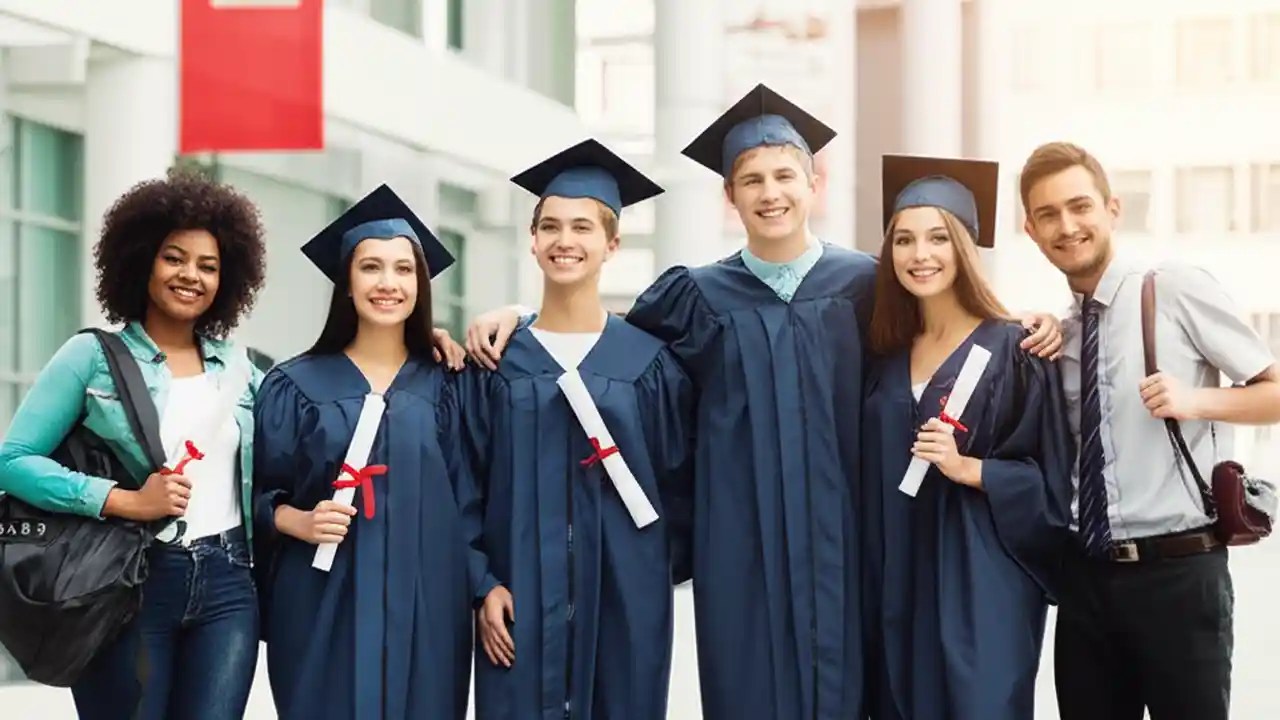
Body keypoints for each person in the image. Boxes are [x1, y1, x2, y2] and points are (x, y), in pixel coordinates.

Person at [464, 86, 1063, 720]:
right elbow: (604, 346)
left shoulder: (866, 284)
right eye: (750, 179)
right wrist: (520, 317)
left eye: (784, 175)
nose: (769, 192)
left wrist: (1026, 318)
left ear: (814, 182)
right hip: (740, 551)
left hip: (849, 547)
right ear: (730, 195)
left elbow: (946, 321)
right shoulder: (694, 296)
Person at [1019, 141, 1280, 720]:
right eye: (1048, 215)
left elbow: (1275, 391)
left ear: (1112, 208)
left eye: (1079, 206)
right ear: (1031, 230)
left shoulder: (1174, 289)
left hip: (1179, 576)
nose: (1067, 226)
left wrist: (1195, 399)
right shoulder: (1060, 333)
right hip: (1086, 583)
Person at [0, 169, 268, 719]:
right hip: (132, 583)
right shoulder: (92, 358)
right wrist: (123, 500)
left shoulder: (240, 369)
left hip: (229, 585)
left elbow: (312, 421)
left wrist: (418, 339)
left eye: (208, 266)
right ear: (142, 258)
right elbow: (11, 462)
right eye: (174, 257)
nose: (190, 275)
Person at [460, 139, 694, 720]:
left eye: (584, 227)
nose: (566, 241)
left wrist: (642, 574)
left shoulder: (650, 364)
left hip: (625, 598)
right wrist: (481, 582)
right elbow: (463, 481)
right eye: (552, 226)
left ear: (612, 244)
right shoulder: (496, 364)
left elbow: (682, 483)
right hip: (517, 598)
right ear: (532, 239)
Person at [252, 184, 484, 720]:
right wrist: (298, 521)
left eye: (404, 270)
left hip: (428, 604)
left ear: (421, 285)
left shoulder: (451, 384)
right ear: (346, 283)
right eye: (371, 267)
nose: (388, 284)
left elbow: (470, 499)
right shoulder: (293, 385)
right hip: (321, 601)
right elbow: (256, 496)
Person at [860, 154, 1073, 720]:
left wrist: (971, 469)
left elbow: (1053, 486)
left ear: (964, 247)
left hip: (981, 584)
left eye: (938, 238)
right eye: (903, 240)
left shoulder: (1014, 348)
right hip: (894, 577)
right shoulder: (881, 356)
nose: (920, 254)